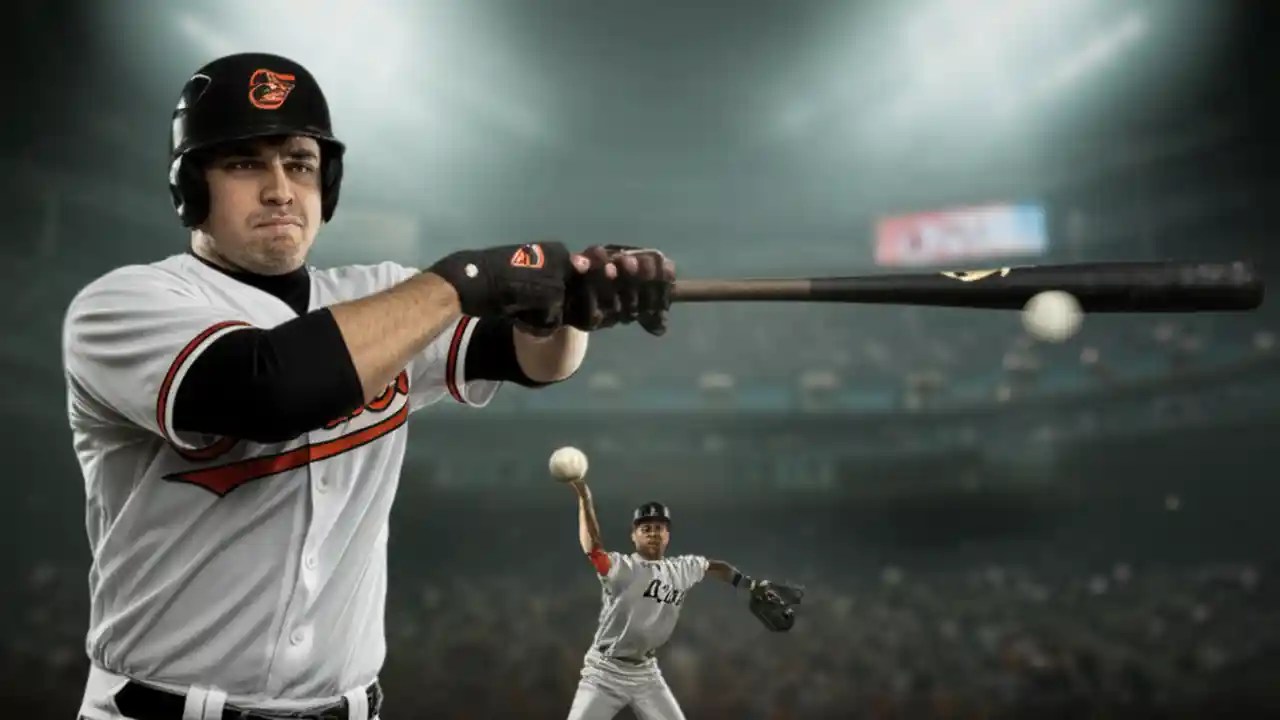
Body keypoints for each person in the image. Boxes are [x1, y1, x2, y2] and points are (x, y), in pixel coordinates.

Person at [63, 51, 675, 720]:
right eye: (244, 163)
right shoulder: (123, 303)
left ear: (327, 182)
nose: (279, 189)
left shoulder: (380, 296)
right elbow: (270, 389)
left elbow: (532, 359)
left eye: (298, 163)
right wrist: (462, 280)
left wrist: (572, 308)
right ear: (191, 188)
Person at [564, 478, 798, 720]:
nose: (653, 533)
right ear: (633, 536)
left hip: (645, 672)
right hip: (606, 670)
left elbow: (716, 567)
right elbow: (593, 548)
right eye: (646, 529)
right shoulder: (623, 568)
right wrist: (585, 499)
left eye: (659, 528)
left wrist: (749, 584)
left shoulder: (681, 569)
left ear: (668, 535)